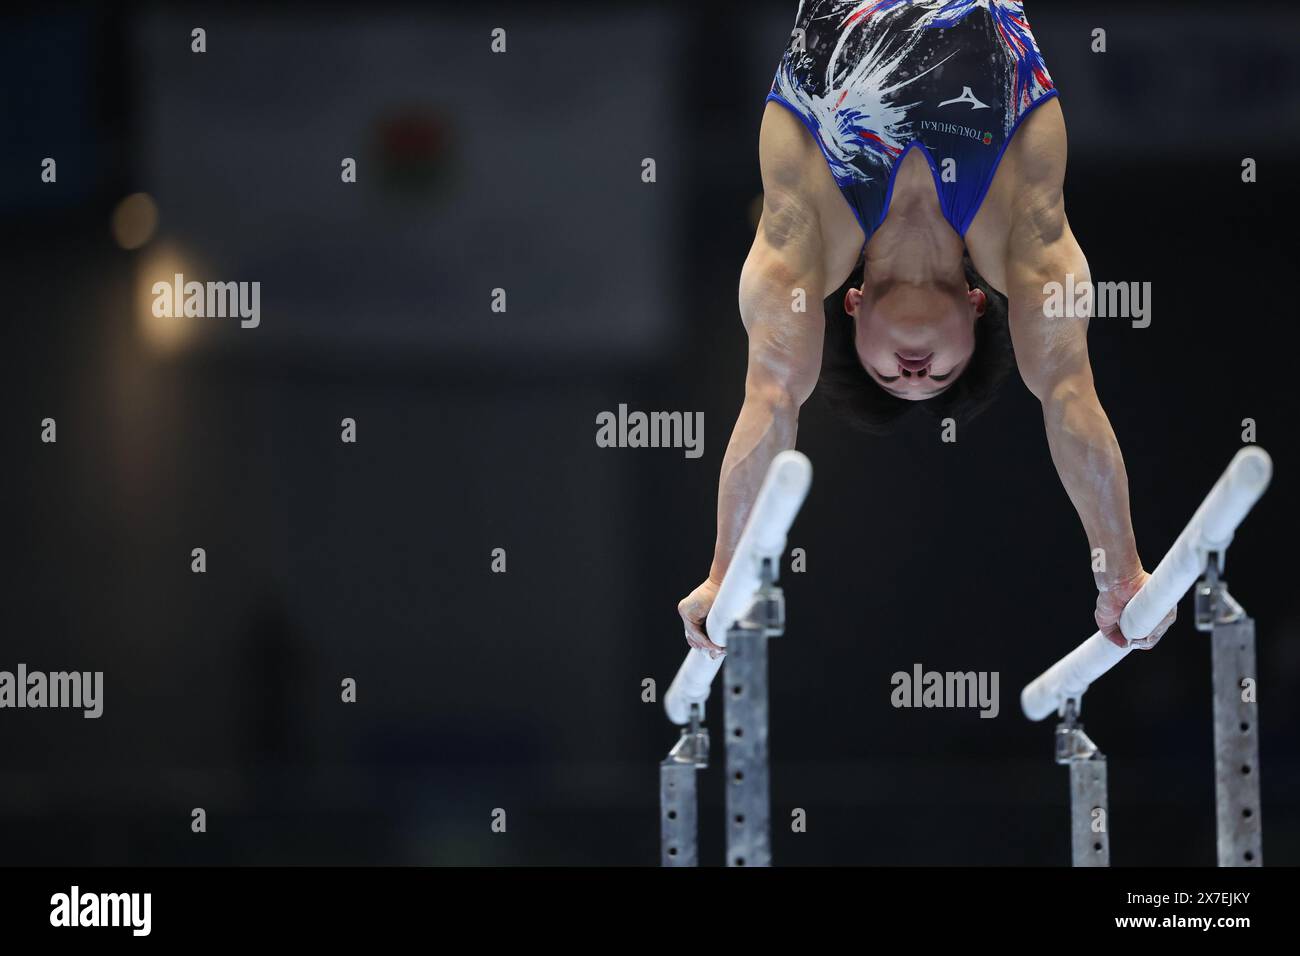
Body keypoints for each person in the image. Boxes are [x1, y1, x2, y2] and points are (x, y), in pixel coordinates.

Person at [678, 1, 1175, 656]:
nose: (914, 373)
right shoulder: (1024, 242)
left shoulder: (805, 245)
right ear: (976, 309)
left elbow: (771, 396)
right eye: (940, 375)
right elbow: (1066, 393)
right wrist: (1120, 567)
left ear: (852, 311)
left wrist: (723, 575)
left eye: (890, 374)